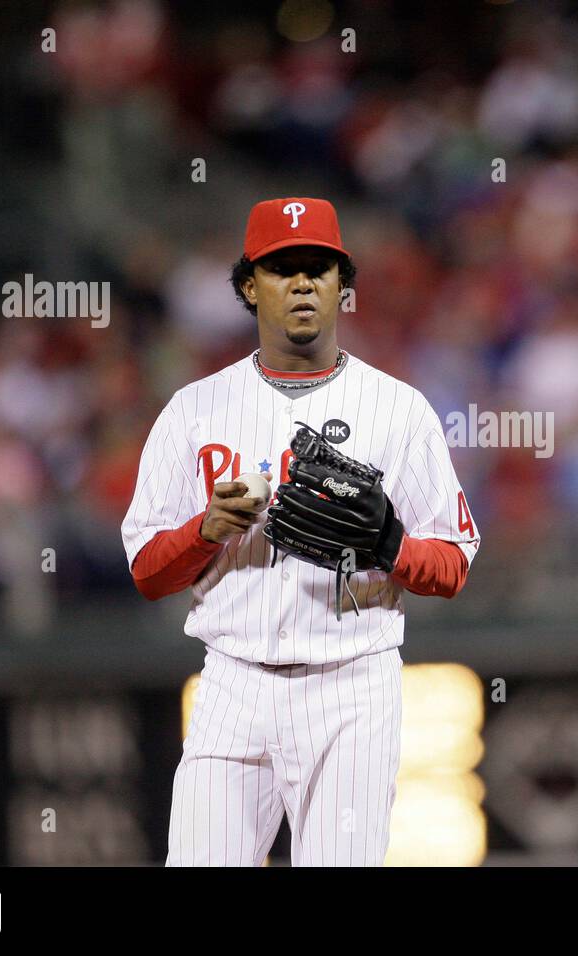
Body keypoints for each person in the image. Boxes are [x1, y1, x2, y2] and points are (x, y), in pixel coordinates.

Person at [121, 197, 480, 865]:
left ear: (343, 286)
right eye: (283, 268)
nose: (303, 282)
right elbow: (146, 572)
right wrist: (204, 531)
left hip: (352, 684)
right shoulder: (193, 411)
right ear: (248, 286)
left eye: (319, 267)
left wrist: (390, 545)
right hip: (232, 680)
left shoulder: (398, 411)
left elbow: (454, 566)